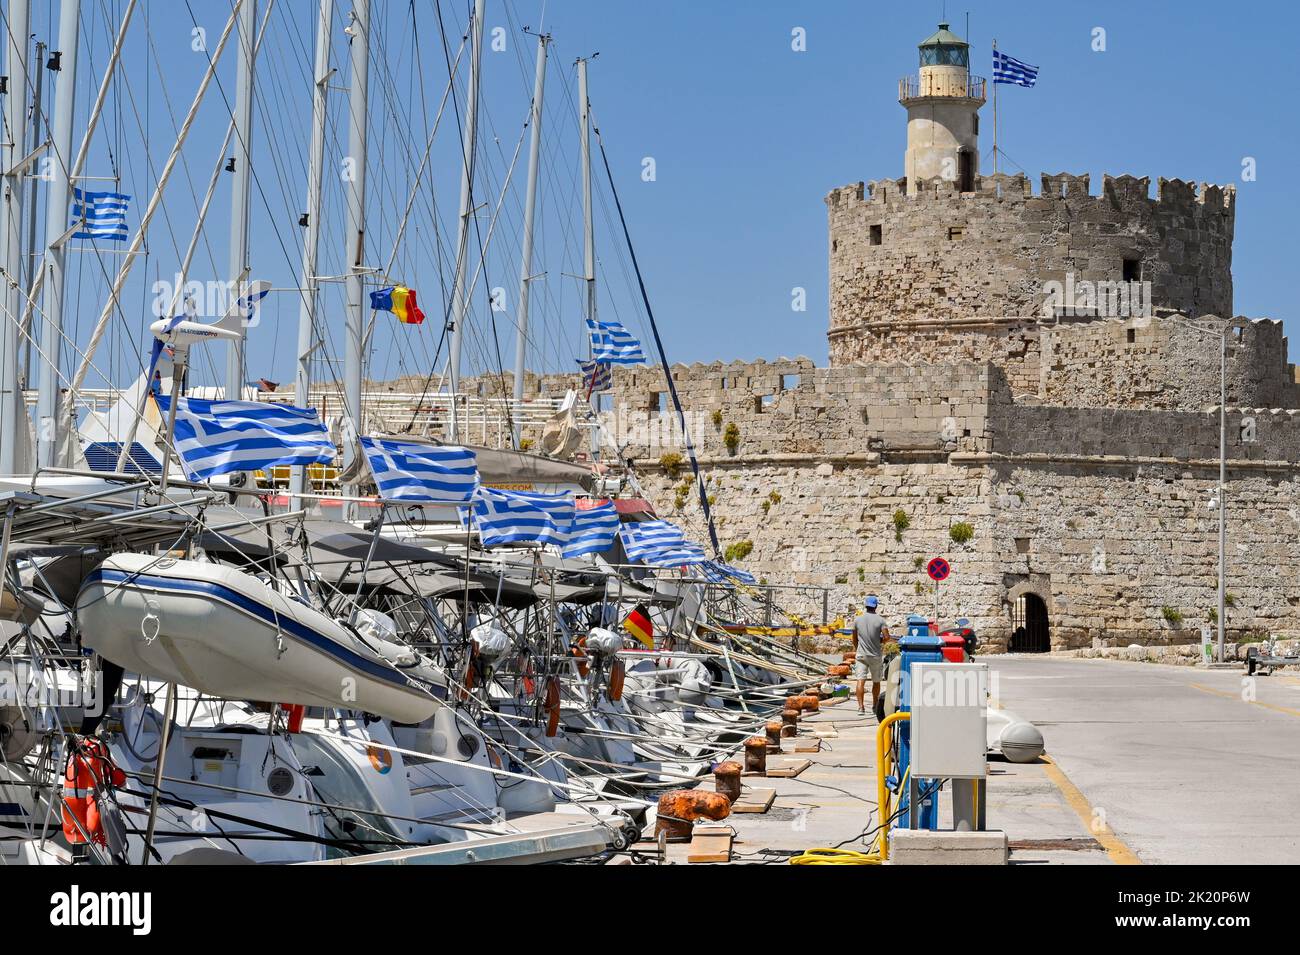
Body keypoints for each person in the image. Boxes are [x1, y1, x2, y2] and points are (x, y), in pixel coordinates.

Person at [852, 596, 889, 716]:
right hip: (875, 655)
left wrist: (858, 647)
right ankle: (874, 706)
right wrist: (879, 642)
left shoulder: (857, 620)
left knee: (860, 681)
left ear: (866, 605)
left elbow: (854, 638)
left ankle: (860, 708)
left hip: (861, 655)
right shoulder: (880, 621)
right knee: (876, 682)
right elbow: (887, 637)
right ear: (876, 606)